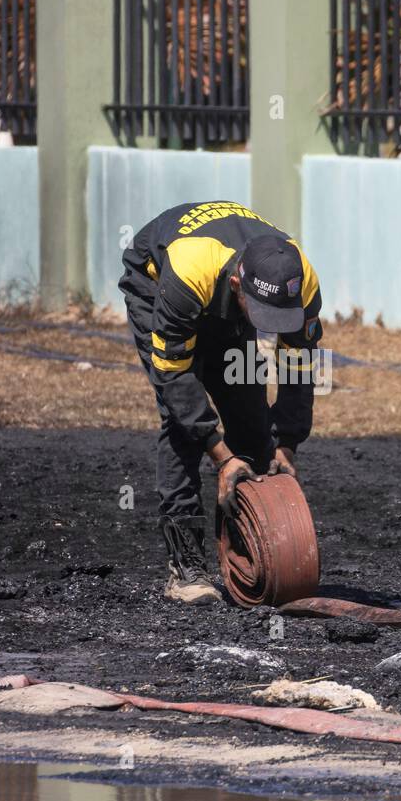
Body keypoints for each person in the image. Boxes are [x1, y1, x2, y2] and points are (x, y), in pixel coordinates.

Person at [120, 200, 323, 604]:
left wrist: (287, 443)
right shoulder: (188, 271)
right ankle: (186, 569)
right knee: (181, 424)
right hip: (157, 284)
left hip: (222, 296)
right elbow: (175, 376)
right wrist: (221, 455)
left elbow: (299, 365)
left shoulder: (302, 279)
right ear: (237, 287)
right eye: (262, 313)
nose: (270, 326)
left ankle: (250, 551)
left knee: (250, 416)